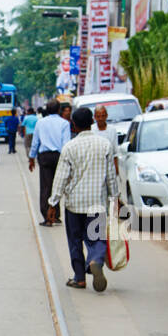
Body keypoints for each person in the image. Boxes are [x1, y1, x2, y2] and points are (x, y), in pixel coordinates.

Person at [48, 106, 119, 292]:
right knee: (96, 239)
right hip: (97, 202)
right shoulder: (105, 145)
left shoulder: (69, 147)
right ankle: (95, 260)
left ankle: (79, 278)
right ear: (92, 122)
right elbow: (111, 176)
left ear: (74, 125)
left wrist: (52, 203)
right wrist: (115, 199)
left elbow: (61, 177)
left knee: (75, 240)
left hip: (74, 204)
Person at [29, 98, 71, 226]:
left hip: (45, 157)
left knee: (46, 187)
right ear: (59, 110)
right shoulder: (64, 123)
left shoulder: (40, 123)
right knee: (58, 185)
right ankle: (56, 214)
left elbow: (35, 142)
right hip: (59, 156)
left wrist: (31, 158)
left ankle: (47, 216)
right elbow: (66, 144)